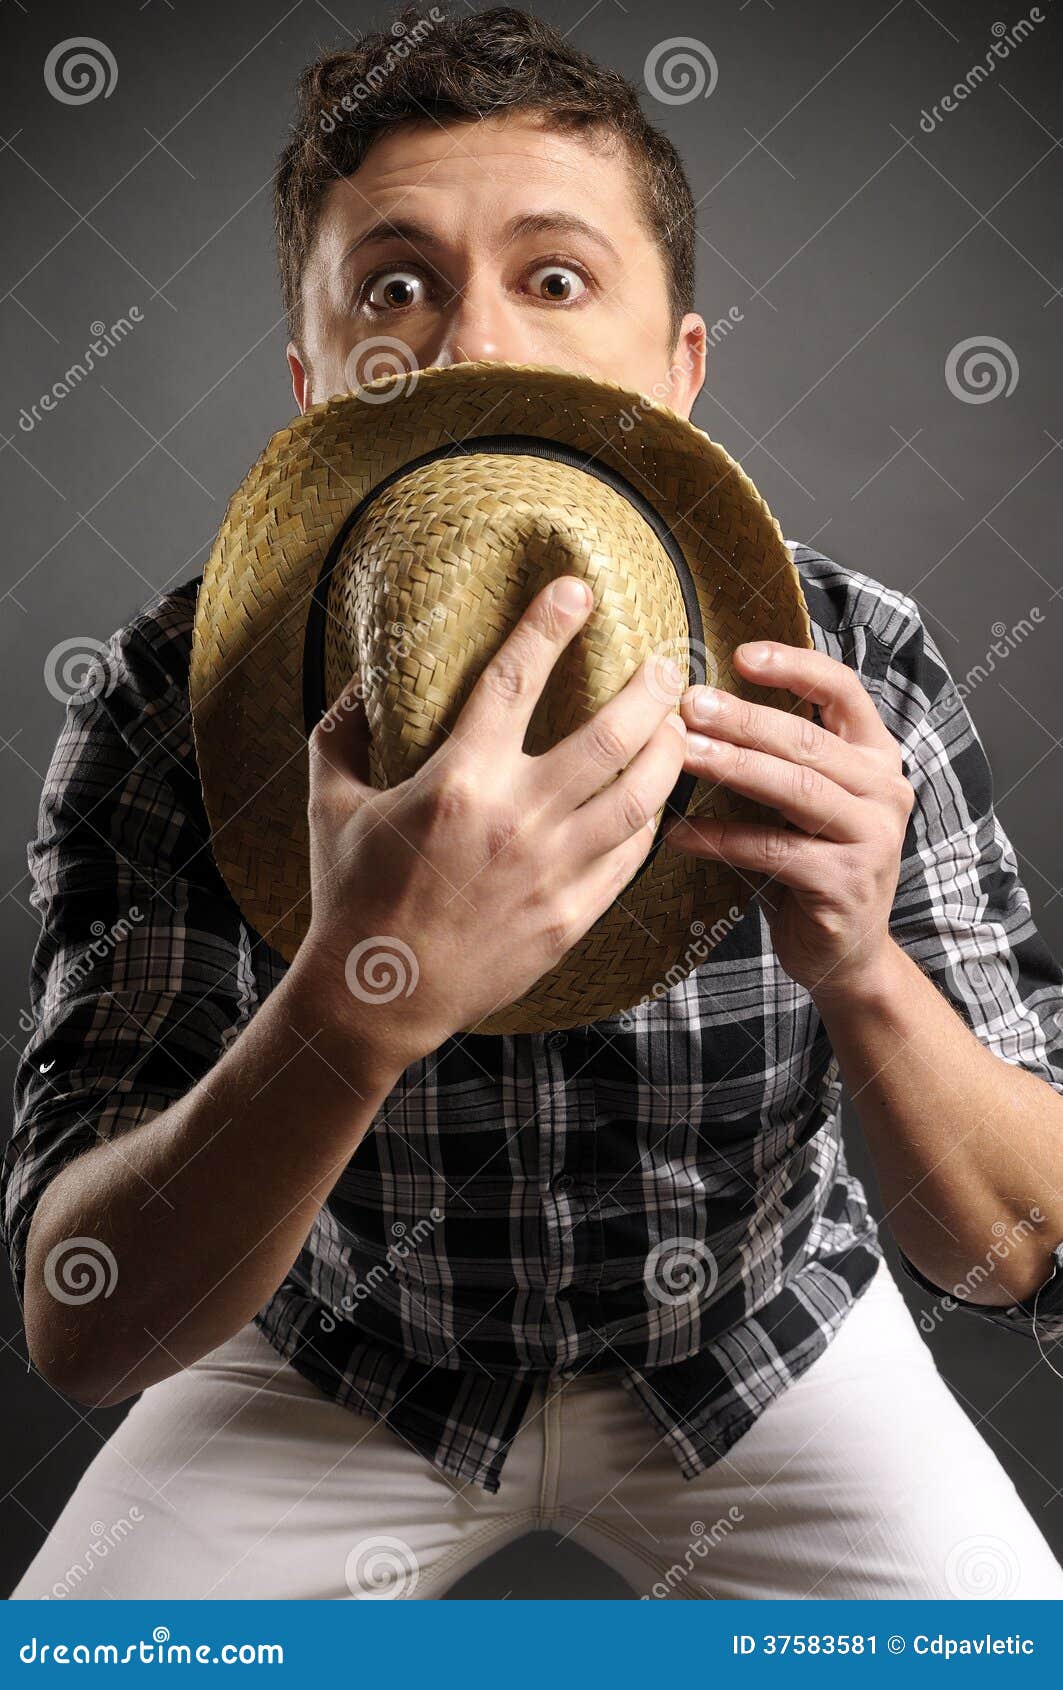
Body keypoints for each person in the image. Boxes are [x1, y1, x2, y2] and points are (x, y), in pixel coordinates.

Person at [4, 5, 1063, 1601]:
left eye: (555, 278)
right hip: (340, 1356)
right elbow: (83, 1322)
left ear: (678, 369)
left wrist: (863, 967)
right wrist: (355, 1007)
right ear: (315, 388)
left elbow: (1024, 1245)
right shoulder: (181, 697)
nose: (476, 346)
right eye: (397, 286)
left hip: (762, 1349)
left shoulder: (855, 667)